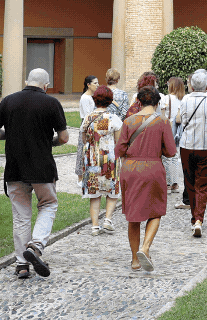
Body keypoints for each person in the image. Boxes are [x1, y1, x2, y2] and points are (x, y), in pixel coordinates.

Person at [0, 68, 69, 279]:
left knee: (21, 216)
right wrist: (51, 142)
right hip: (42, 168)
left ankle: (22, 265)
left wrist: (10, 134)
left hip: (15, 168)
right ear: (46, 85)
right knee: (48, 204)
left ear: (26, 81)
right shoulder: (52, 103)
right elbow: (65, 137)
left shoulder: (9, 101)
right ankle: (36, 246)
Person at [116, 86, 176, 272]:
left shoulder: (128, 121)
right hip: (153, 168)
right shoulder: (163, 121)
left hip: (131, 169)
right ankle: (145, 247)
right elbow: (171, 151)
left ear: (139, 102)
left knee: (133, 216)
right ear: (157, 102)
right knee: (155, 211)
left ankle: (135, 260)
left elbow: (119, 150)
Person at [172, 69, 207, 237]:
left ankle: (195, 218)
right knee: (203, 182)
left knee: (190, 181)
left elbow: (182, 120)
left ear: (191, 86)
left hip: (187, 145)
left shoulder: (185, 99)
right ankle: (198, 219)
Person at [79, 85, 123, 236]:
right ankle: (108, 220)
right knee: (112, 191)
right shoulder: (114, 119)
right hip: (109, 158)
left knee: (94, 192)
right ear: (110, 101)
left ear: (95, 99)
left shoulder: (88, 118)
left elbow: (84, 139)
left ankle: (95, 226)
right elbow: (119, 142)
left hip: (92, 159)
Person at [158, 77, 186, 194]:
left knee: (166, 157)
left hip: (168, 129)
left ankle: (168, 183)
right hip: (179, 132)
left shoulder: (166, 98)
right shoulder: (183, 99)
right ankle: (175, 183)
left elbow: (162, 114)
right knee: (175, 157)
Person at [74, 75, 101, 186]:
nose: (97, 85)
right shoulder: (85, 98)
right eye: (95, 83)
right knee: (82, 151)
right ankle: (80, 178)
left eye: (98, 83)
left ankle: (90, 175)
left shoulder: (93, 97)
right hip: (86, 128)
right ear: (88, 85)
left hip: (93, 127)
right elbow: (87, 116)